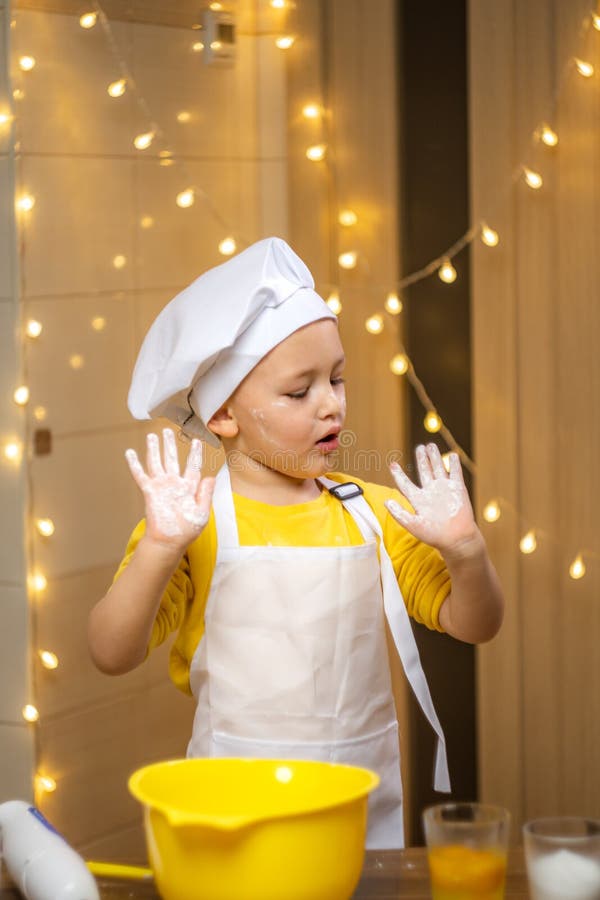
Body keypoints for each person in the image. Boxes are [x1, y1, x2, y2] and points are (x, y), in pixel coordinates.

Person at [88, 236, 503, 849]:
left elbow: (476, 624)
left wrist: (466, 551)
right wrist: (158, 547)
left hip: (359, 816)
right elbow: (110, 652)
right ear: (225, 415)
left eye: (337, 379)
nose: (331, 405)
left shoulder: (378, 513)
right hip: (233, 820)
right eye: (299, 390)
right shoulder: (190, 526)